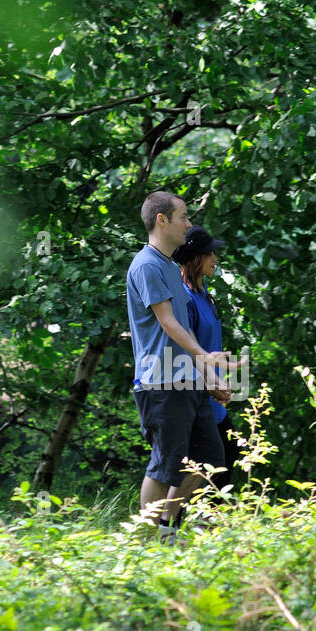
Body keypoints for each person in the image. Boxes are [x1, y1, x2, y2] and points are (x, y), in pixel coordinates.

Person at [126, 192, 239, 542]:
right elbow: (167, 323)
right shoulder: (146, 265)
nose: (188, 224)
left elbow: (185, 328)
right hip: (161, 381)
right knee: (165, 465)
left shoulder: (167, 266)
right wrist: (205, 358)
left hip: (186, 379)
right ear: (162, 220)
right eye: (184, 217)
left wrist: (207, 374)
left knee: (210, 458)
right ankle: (147, 541)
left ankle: (165, 528)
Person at [174, 225, 240, 494]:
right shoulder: (183, 297)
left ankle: (206, 523)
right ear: (196, 257)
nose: (215, 258)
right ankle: (173, 524)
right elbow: (185, 349)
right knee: (199, 462)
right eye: (210, 253)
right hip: (195, 391)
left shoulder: (204, 294)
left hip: (213, 393)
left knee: (227, 455)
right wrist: (208, 382)